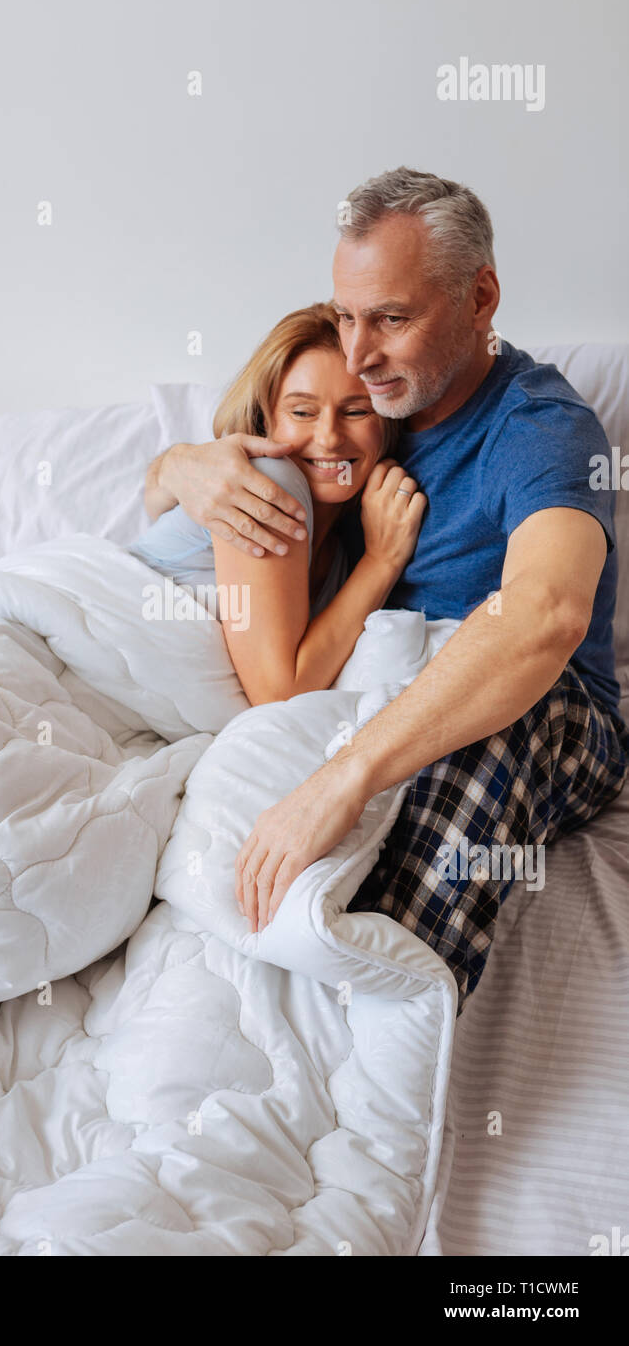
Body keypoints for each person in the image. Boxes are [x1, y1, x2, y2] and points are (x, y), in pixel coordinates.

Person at [144, 166, 629, 1013]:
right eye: (347, 317)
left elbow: (546, 615)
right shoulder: (372, 410)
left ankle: (378, 1006)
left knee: (503, 715)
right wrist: (182, 465)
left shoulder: (539, 429)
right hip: (377, 700)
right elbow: (225, 474)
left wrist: (346, 778)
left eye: (391, 320)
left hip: (551, 715)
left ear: (481, 299)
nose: (361, 355)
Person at [130, 302, 425, 705]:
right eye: (302, 412)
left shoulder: (341, 543)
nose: (328, 438)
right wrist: (382, 562)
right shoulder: (264, 481)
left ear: (386, 422)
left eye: (356, 411)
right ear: (266, 420)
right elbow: (278, 693)